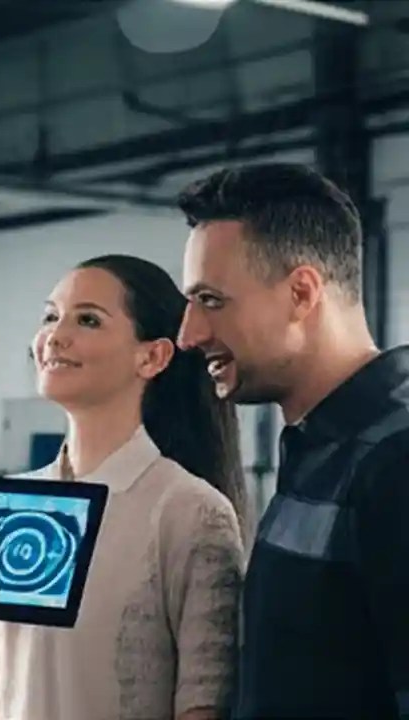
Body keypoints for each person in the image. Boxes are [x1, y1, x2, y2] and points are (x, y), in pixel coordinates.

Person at [0, 254, 250, 720]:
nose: (55, 336)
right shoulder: (4, 506)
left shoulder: (189, 511)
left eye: (87, 320)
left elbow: (204, 699)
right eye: (50, 316)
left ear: (152, 356)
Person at [175, 163, 409, 719]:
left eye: (211, 300)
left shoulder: (395, 460)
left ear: (301, 292)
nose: (189, 334)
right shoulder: (319, 450)